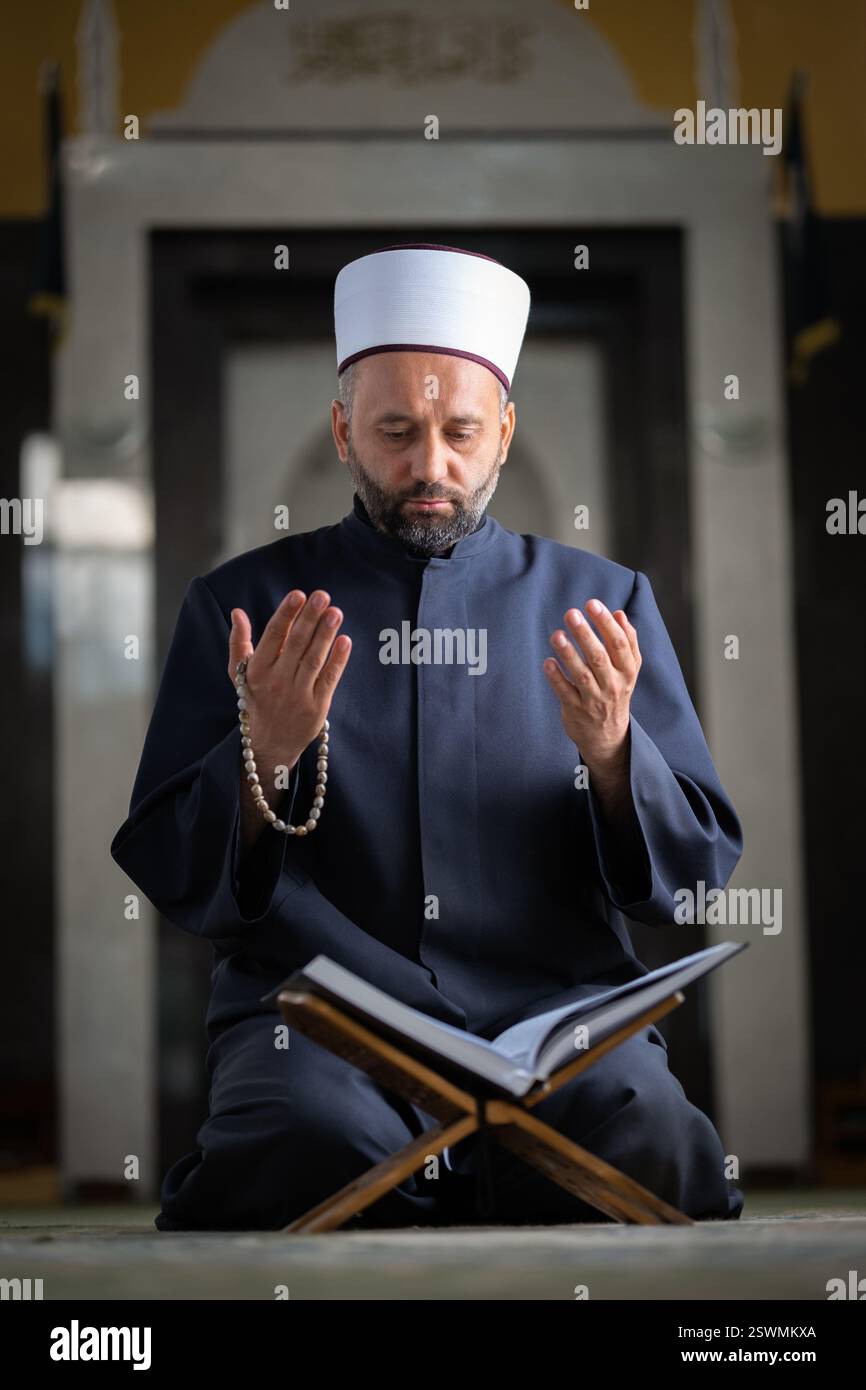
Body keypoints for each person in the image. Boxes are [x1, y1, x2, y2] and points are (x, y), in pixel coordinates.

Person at [110, 243, 745, 1230]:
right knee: (301, 1144)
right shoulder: (240, 604)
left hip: (554, 1016)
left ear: (503, 432)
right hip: (323, 1018)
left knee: (654, 1142)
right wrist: (263, 756)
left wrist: (616, 757)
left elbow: (690, 867)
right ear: (341, 430)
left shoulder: (602, 602)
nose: (430, 469)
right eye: (396, 432)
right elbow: (170, 863)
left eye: (458, 433)